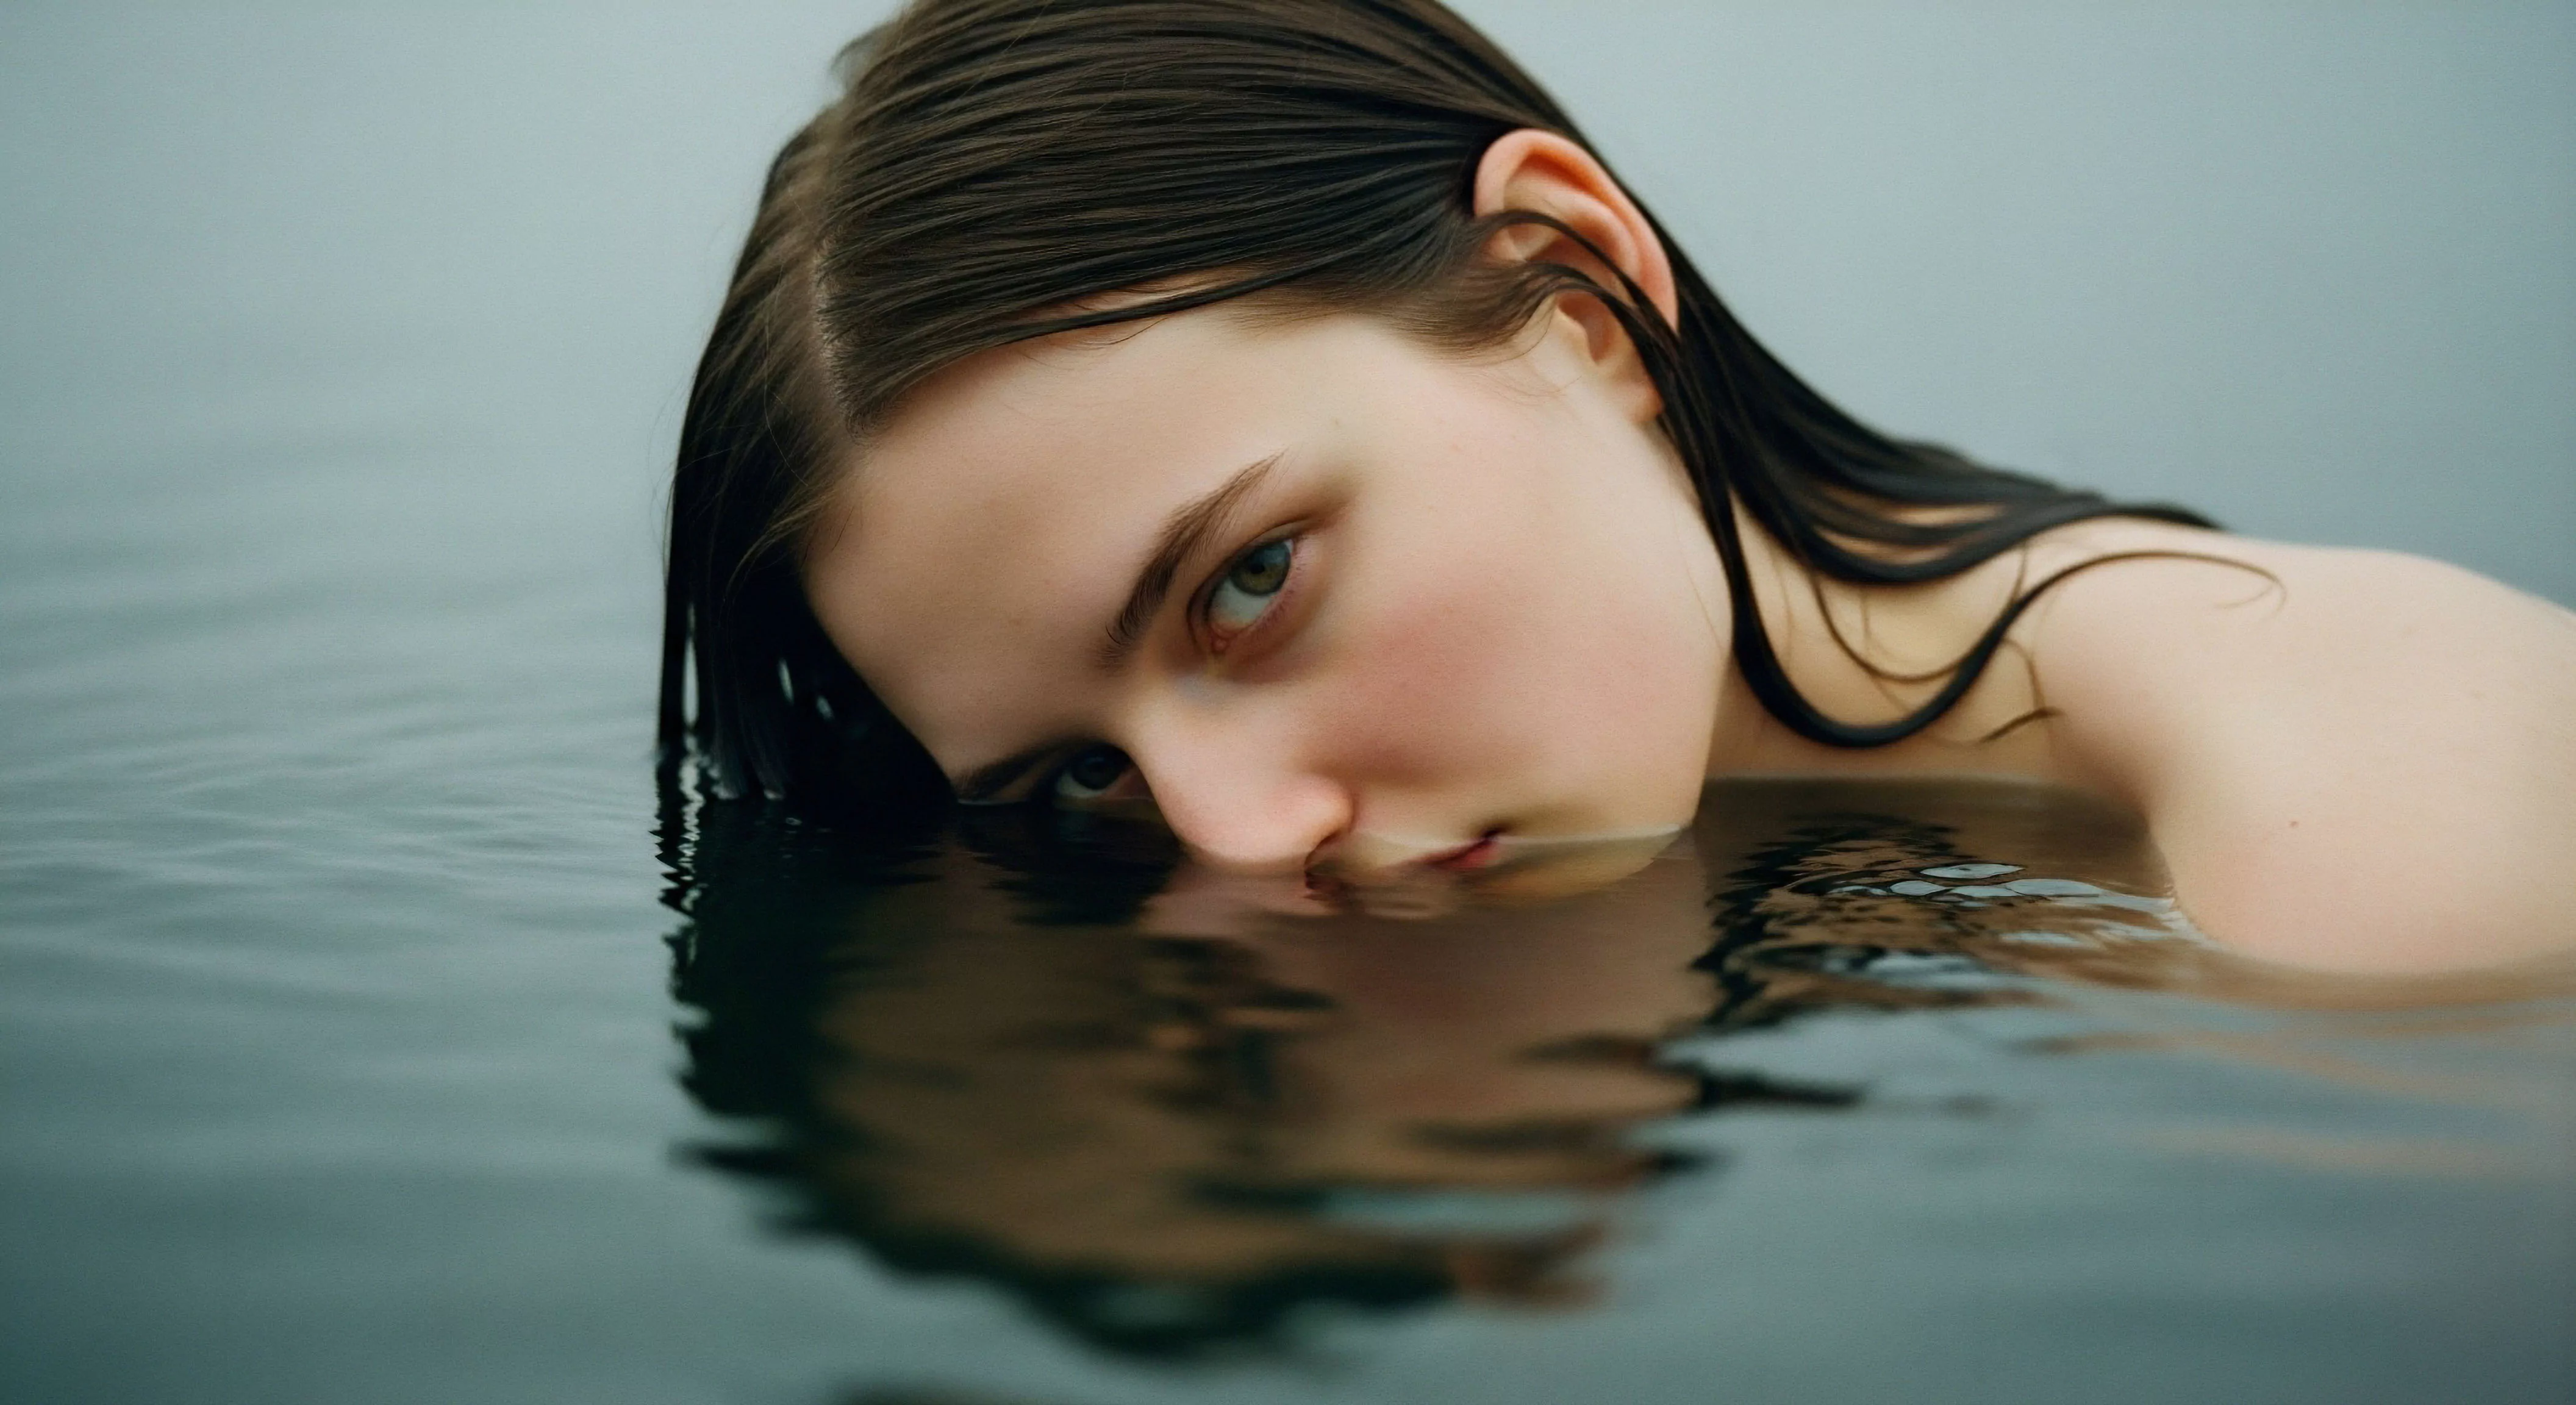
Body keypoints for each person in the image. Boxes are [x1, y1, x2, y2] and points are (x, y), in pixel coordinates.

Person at [661, 0, 2575, 973]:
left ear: (1574, 291)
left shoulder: (2384, 810)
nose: (1238, 842)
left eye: (1248, 581)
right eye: (1085, 779)